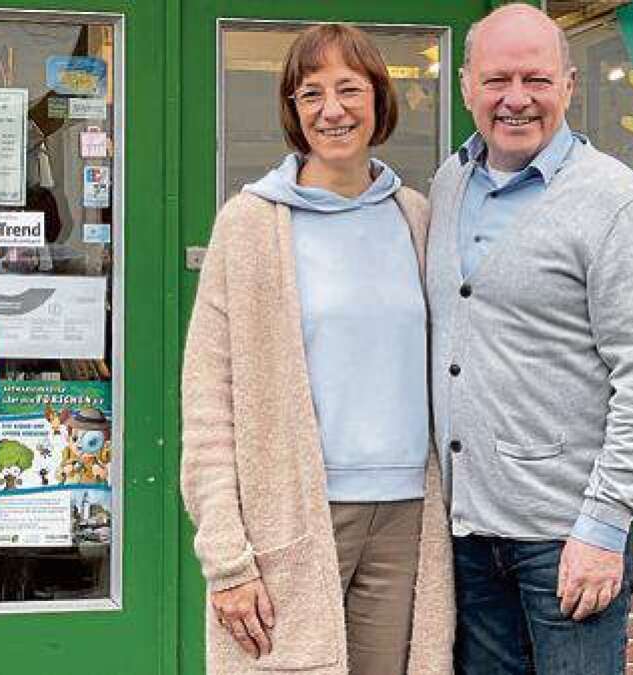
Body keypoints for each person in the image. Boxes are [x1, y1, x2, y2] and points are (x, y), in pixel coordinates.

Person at [180, 23, 453, 675]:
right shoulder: (250, 224)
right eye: (311, 94)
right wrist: (226, 557)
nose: (332, 110)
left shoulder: (415, 216)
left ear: (380, 100)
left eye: (349, 89)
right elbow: (208, 402)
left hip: (405, 514)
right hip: (294, 516)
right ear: (293, 111)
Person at [426, 5, 633, 673]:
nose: (516, 99)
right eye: (497, 80)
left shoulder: (613, 201)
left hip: (565, 537)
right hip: (466, 536)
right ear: (465, 87)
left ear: (569, 86)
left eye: (536, 79)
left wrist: (603, 527)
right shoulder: (449, 182)